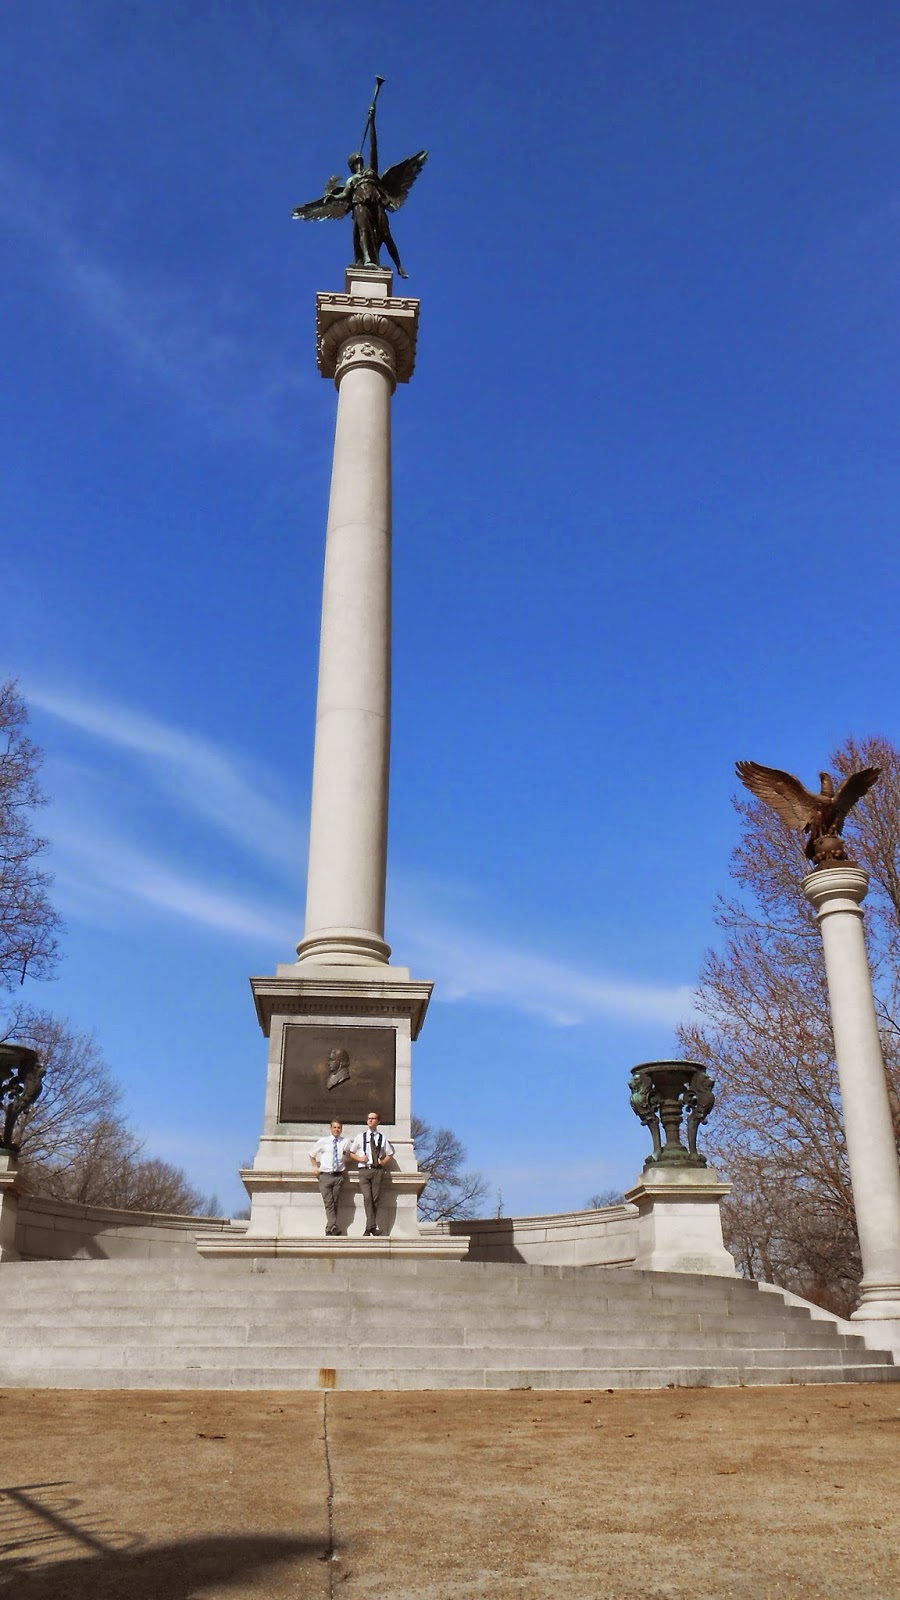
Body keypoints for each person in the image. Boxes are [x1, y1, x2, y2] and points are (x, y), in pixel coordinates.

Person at [350, 1110, 394, 1236]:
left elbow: (390, 1154)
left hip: (377, 1171)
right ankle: (371, 1227)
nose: (370, 1120)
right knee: (367, 1197)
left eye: (373, 1118)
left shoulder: (382, 1138)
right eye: (369, 1118)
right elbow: (351, 1153)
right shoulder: (360, 1137)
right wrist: (360, 1159)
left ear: (378, 1121)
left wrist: (382, 1162)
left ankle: (369, 1228)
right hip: (364, 1170)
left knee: (374, 1199)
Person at [309, 1118, 354, 1236]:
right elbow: (311, 1154)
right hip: (324, 1176)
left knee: (335, 1202)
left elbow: (352, 1154)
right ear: (330, 1128)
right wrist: (315, 1167)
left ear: (341, 1129)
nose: (337, 1129)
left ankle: (329, 1228)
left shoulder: (346, 1142)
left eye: (339, 1127)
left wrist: (346, 1160)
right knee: (329, 1203)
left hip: (338, 1176)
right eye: (334, 1127)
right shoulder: (323, 1141)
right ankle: (333, 1226)